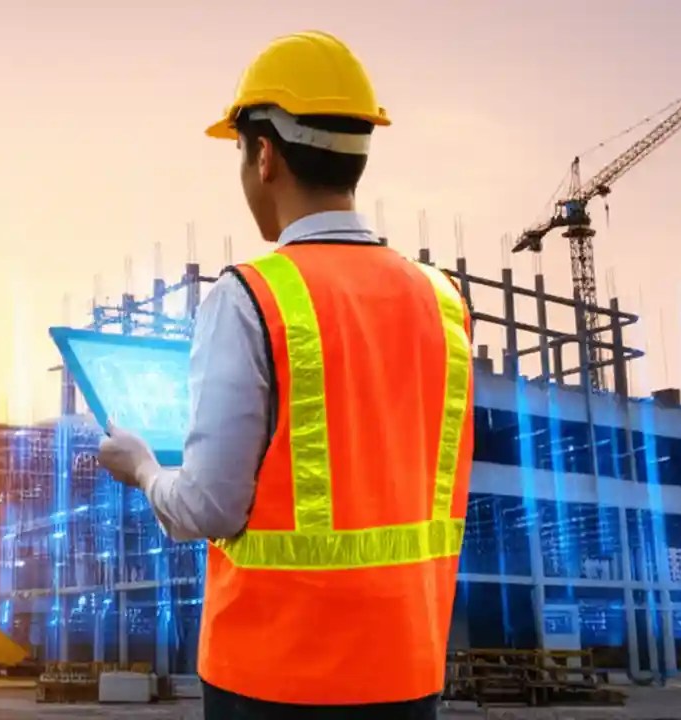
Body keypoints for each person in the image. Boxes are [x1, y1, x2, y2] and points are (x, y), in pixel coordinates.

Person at [97, 31, 474, 719]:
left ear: (263, 155)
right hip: (409, 674)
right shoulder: (444, 302)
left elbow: (211, 507)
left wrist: (145, 469)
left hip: (275, 680)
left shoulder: (249, 298)